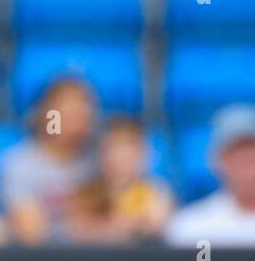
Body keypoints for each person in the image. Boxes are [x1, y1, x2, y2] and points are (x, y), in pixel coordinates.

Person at [0, 76, 99, 243]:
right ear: (46, 114)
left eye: (82, 110)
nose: (77, 117)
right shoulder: (20, 163)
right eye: (67, 111)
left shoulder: (99, 163)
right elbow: (30, 232)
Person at [65, 117, 174, 244]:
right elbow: (77, 231)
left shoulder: (156, 189)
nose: (120, 157)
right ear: (101, 154)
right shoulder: (85, 193)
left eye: (129, 149)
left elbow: (158, 223)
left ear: (143, 155)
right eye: (113, 148)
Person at [165, 104, 255, 247]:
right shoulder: (191, 227)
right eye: (238, 158)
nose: (248, 170)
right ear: (218, 161)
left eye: (252, 158)